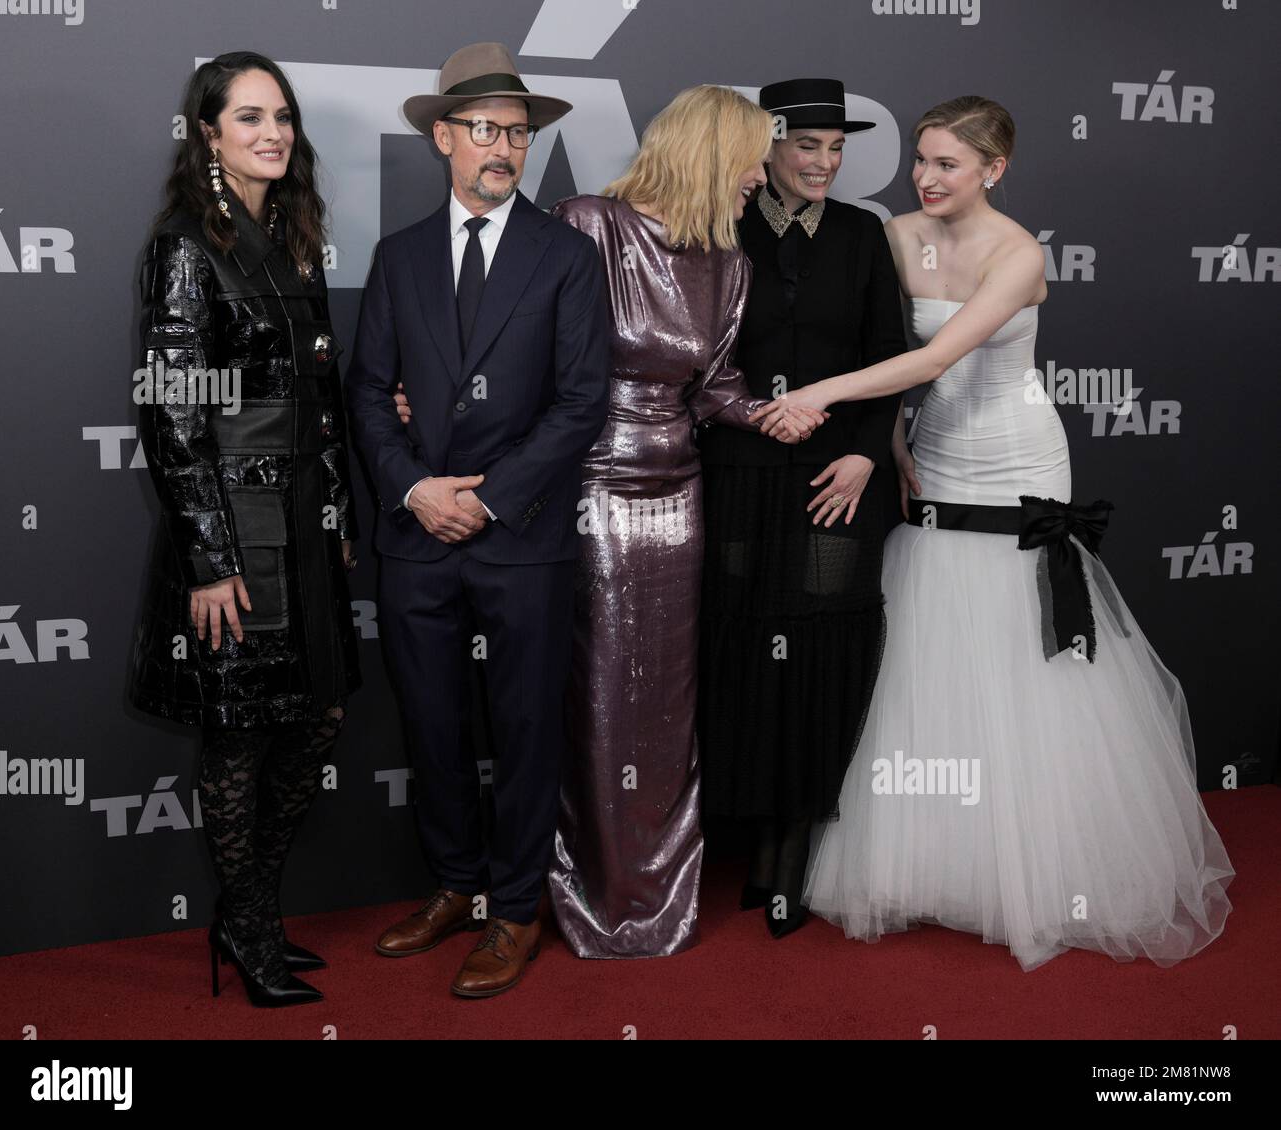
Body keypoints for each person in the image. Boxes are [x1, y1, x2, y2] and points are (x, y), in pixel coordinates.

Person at [753, 96, 1234, 970]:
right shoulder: (894, 236)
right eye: (921, 161)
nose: (926, 178)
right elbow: (887, 350)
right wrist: (891, 441)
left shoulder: (1019, 254)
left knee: (1017, 646)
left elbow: (937, 358)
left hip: (1016, 463)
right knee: (930, 636)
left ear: (994, 171)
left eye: (948, 165)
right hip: (931, 457)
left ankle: (1035, 865)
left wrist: (819, 395)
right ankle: (937, 855)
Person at [345, 43, 610, 998]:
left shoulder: (567, 257)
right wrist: (417, 490)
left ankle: (516, 908)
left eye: (520, 133)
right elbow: (369, 393)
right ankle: (455, 885)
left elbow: (581, 403)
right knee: (431, 722)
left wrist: (489, 497)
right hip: (416, 534)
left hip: (522, 535)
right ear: (443, 137)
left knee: (528, 725)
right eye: (487, 130)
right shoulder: (399, 256)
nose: (505, 148)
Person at [544, 85, 827, 959]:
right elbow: (533, 356)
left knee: (666, 701)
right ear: (710, 151)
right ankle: (597, 891)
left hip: (680, 496)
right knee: (599, 697)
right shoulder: (591, 223)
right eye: (751, 155)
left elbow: (711, 389)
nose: (761, 174)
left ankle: (661, 894)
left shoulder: (728, 262)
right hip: (590, 489)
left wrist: (772, 414)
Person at [130, 52, 360, 1006]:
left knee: (316, 720)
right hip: (235, 526)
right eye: (250, 117)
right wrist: (210, 561)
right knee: (239, 737)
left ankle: (247, 912)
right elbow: (173, 416)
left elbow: (324, 396)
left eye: (283, 117)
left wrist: (338, 511)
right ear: (208, 133)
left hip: (306, 519)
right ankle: (251, 924)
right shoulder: (187, 245)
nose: (273, 133)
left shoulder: (295, 236)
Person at [696, 78, 906, 938]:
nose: (823, 163)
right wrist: (750, 418)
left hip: (835, 479)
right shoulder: (723, 224)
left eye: (836, 149)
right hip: (742, 471)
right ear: (766, 147)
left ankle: (797, 842)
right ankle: (751, 833)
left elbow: (887, 356)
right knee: (746, 641)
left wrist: (863, 451)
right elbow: (699, 353)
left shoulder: (863, 234)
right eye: (805, 146)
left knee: (820, 646)